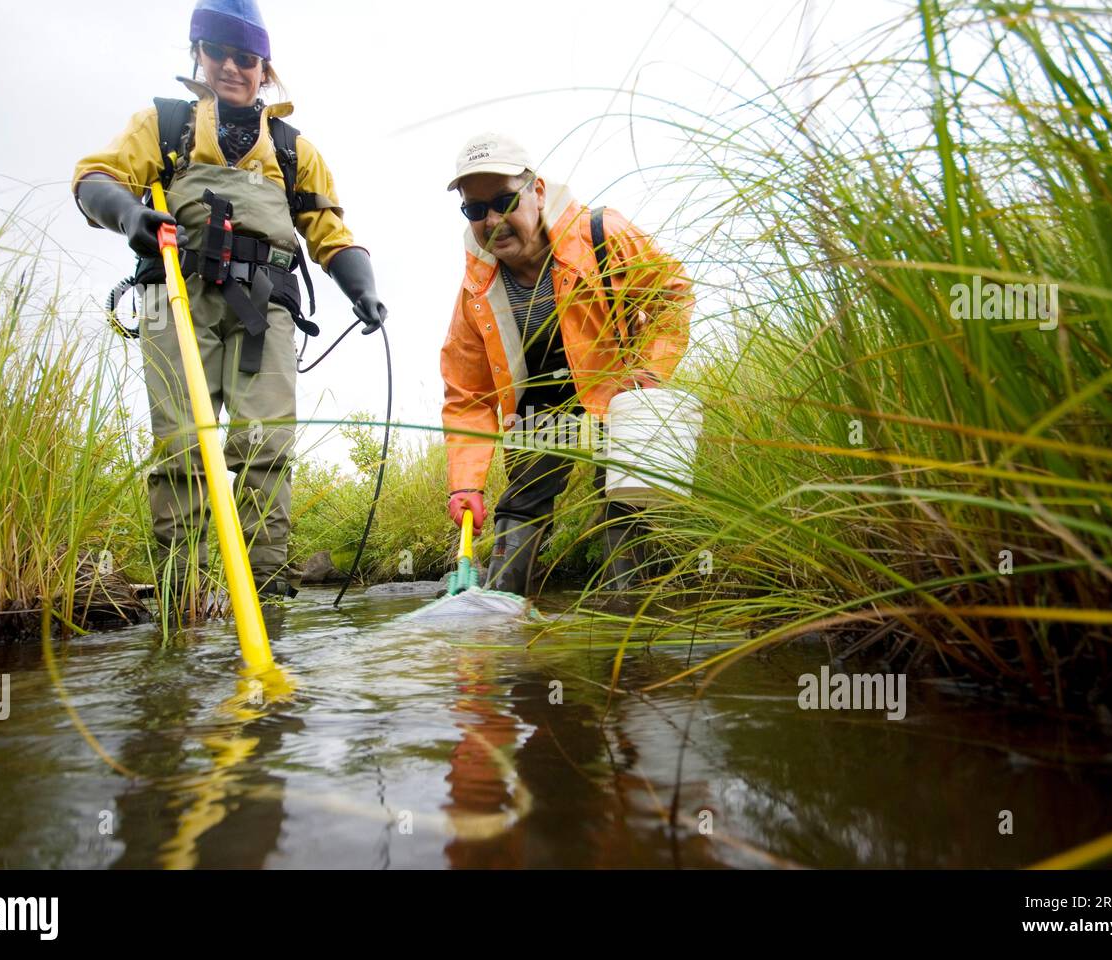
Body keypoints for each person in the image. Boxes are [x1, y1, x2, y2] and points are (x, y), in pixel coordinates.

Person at [71, 0, 387, 616]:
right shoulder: (163, 126)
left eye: (246, 58)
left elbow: (330, 232)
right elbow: (92, 180)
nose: (232, 67)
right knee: (183, 447)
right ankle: (179, 604)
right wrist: (130, 213)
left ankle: (266, 601)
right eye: (218, 52)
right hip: (177, 299)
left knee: (266, 450)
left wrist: (362, 286)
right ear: (199, 55)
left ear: (264, 68)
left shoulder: (295, 149)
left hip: (265, 309)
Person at [440, 133, 693, 595]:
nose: (492, 220)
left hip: (615, 391)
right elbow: (467, 395)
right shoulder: (475, 289)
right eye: (476, 210)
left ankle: (629, 623)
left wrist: (649, 372)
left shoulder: (603, 233)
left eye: (503, 201)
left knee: (624, 501)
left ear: (536, 192)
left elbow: (671, 293)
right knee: (521, 504)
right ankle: (499, 618)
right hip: (536, 401)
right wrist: (465, 483)